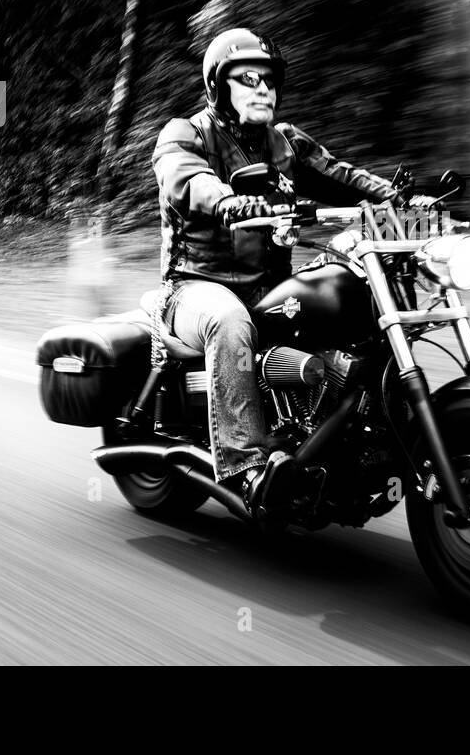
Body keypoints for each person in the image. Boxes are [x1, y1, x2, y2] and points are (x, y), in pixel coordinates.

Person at [150, 27, 432, 522]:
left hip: (267, 287)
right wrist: (227, 201)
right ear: (219, 87)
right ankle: (245, 465)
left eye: (270, 81)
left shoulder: (285, 142)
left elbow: (341, 176)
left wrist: (401, 200)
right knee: (229, 320)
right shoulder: (186, 133)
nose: (263, 89)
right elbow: (185, 179)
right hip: (195, 287)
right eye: (248, 79)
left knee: (351, 305)